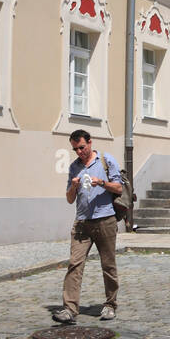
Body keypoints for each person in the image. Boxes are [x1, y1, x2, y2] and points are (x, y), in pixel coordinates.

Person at [53, 129, 123, 323]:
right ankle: (69, 309)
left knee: (108, 265)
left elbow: (119, 187)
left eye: (82, 147)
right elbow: (69, 199)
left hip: (105, 220)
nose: (79, 152)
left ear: (90, 142)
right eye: (75, 149)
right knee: (74, 264)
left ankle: (110, 305)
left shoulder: (105, 160)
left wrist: (101, 182)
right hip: (82, 222)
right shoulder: (74, 167)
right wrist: (74, 186)